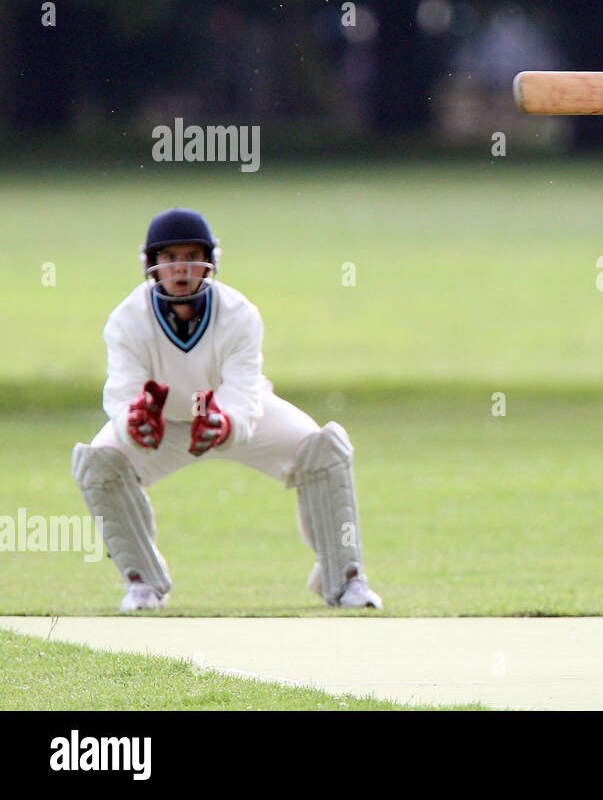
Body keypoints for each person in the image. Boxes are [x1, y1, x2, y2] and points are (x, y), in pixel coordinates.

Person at [71, 208, 382, 612]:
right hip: (166, 425)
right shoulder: (126, 320)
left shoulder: (239, 315)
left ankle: (347, 580)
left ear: (210, 262)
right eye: (169, 258)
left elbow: (244, 394)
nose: (181, 269)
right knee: (97, 463)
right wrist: (136, 422)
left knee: (323, 449)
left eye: (191, 257)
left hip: (232, 418)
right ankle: (142, 585)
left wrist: (223, 422)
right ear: (151, 264)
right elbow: (122, 394)